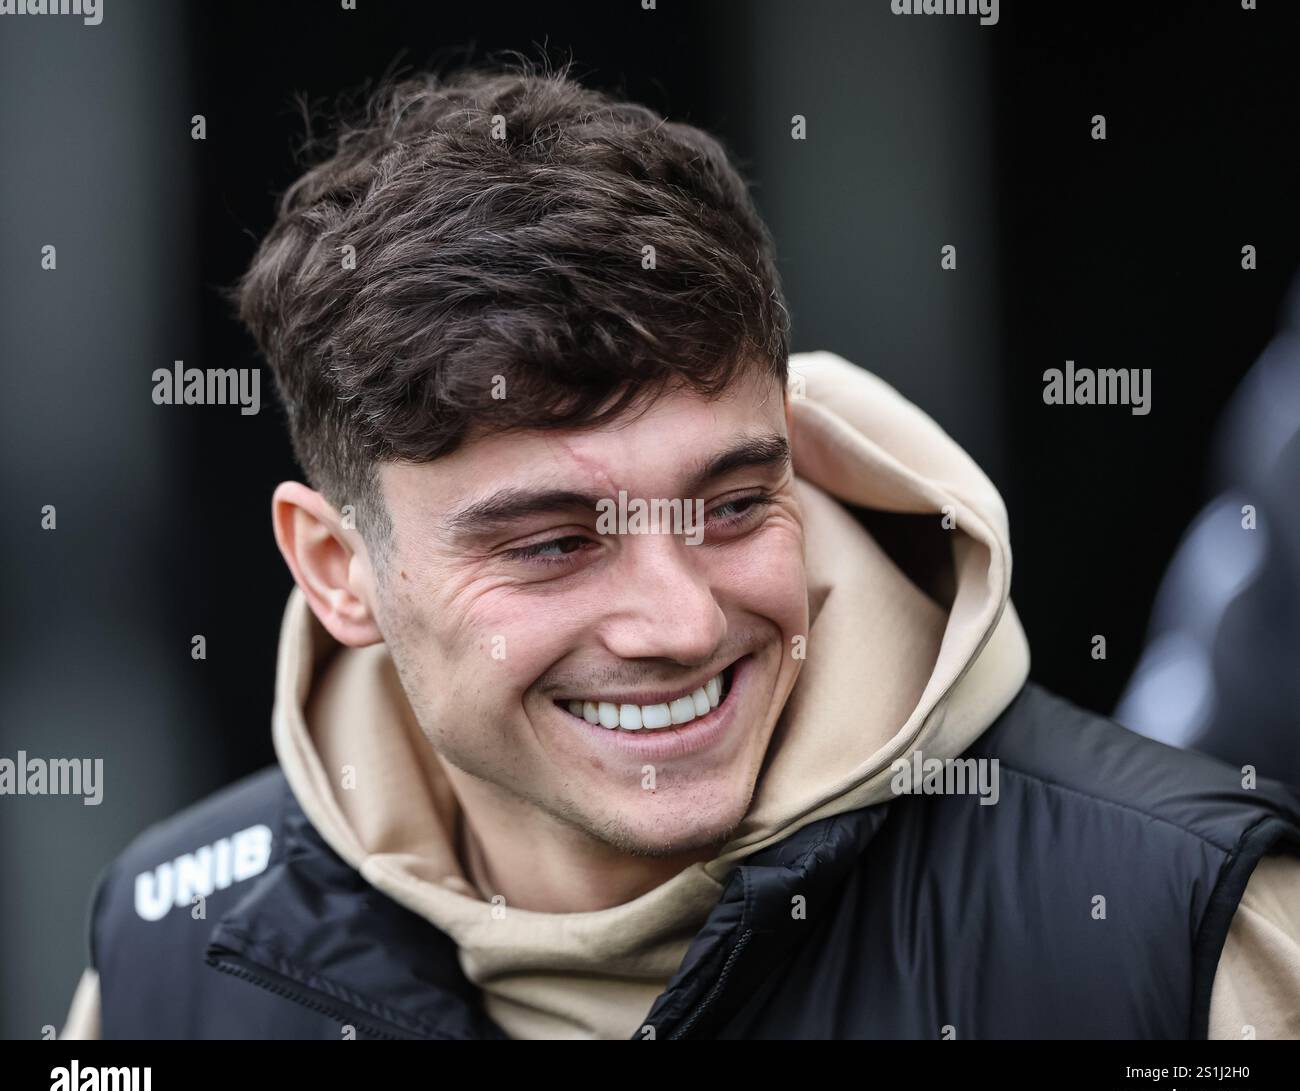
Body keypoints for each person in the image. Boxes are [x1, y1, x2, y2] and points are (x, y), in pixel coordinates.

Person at [61, 61, 1300, 1040]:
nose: (684, 620)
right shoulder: (178, 949)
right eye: (552, 543)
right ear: (337, 569)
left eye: (730, 504)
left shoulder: (1170, 919)